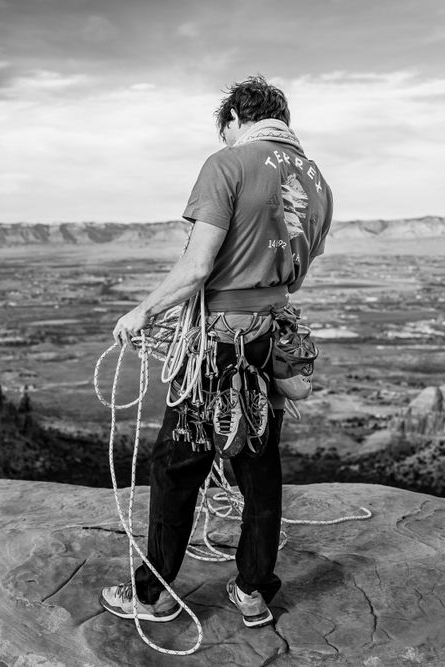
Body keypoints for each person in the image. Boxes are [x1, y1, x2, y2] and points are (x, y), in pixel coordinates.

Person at [99, 75, 333, 628]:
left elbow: (198, 266)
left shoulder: (227, 164)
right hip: (270, 336)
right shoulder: (316, 177)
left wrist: (143, 312)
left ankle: (152, 595)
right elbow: (299, 262)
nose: (224, 137)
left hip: (217, 345)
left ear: (234, 119)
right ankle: (253, 590)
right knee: (258, 463)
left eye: (224, 129)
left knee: (176, 466)